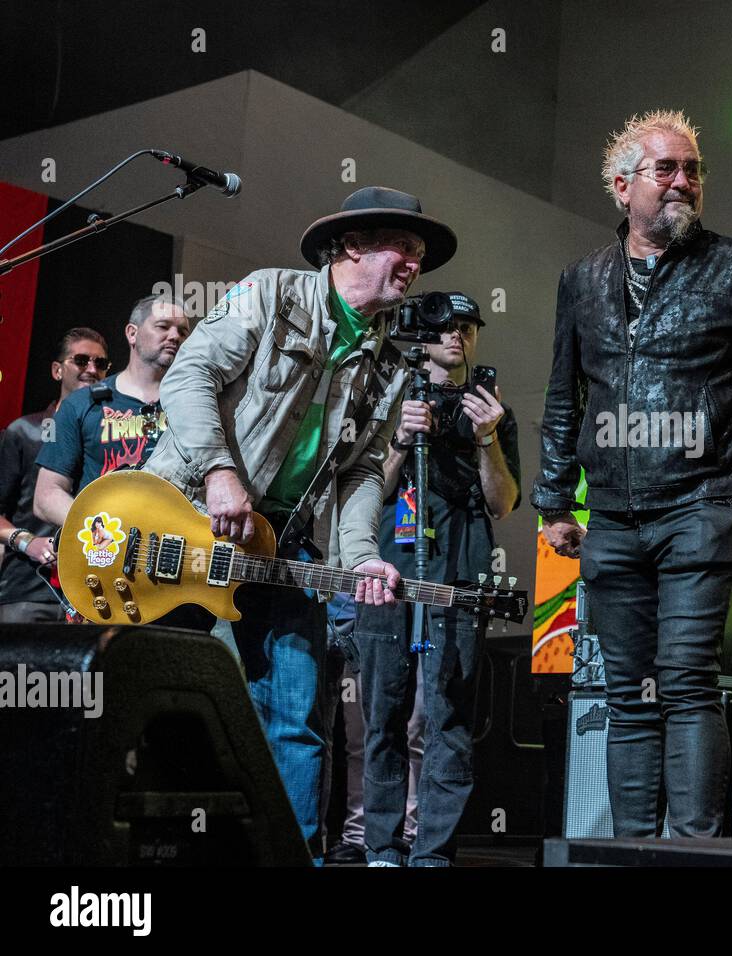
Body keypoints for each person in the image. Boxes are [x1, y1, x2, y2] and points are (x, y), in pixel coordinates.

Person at [532, 110, 732, 838]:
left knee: (683, 678)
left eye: (693, 170)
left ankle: (695, 851)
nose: (683, 183)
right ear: (621, 186)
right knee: (626, 694)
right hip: (609, 515)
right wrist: (553, 501)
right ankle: (632, 851)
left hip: (702, 507)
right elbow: (561, 397)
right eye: (666, 169)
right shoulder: (581, 281)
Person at [140, 186, 456, 862]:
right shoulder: (270, 293)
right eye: (403, 247)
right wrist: (222, 472)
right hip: (180, 516)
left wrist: (363, 555)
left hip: (279, 542)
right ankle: (149, 856)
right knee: (156, 700)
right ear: (350, 245)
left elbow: (362, 473)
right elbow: (188, 376)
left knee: (295, 718)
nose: (414, 265)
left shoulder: (394, 363)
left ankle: (290, 859)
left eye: (421, 255)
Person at [355, 291, 520, 866]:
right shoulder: (386, 395)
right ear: (421, 331)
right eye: (445, 326)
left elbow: (503, 503)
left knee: (449, 714)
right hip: (388, 567)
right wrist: (401, 438)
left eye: (468, 327)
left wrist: (487, 438)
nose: (457, 336)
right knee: (384, 713)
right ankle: (380, 848)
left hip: (462, 566)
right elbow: (363, 491)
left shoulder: (491, 408)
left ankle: (433, 852)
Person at [33, 296, 189, 527]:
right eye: (163, 326)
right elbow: (46, 496)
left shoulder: (194, 407)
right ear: (132, 333)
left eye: (183, 332)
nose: (175, 336)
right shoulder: (80, 403)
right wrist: (102, 532)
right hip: (104, 550)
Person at [0, 327, 110, 622]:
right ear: (57, 370)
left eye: (100, 364)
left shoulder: (113, 435)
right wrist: (27, 541)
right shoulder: (24, 430)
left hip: (98, 594)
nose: (91, 370)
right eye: (82, 360)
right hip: (31, 589)